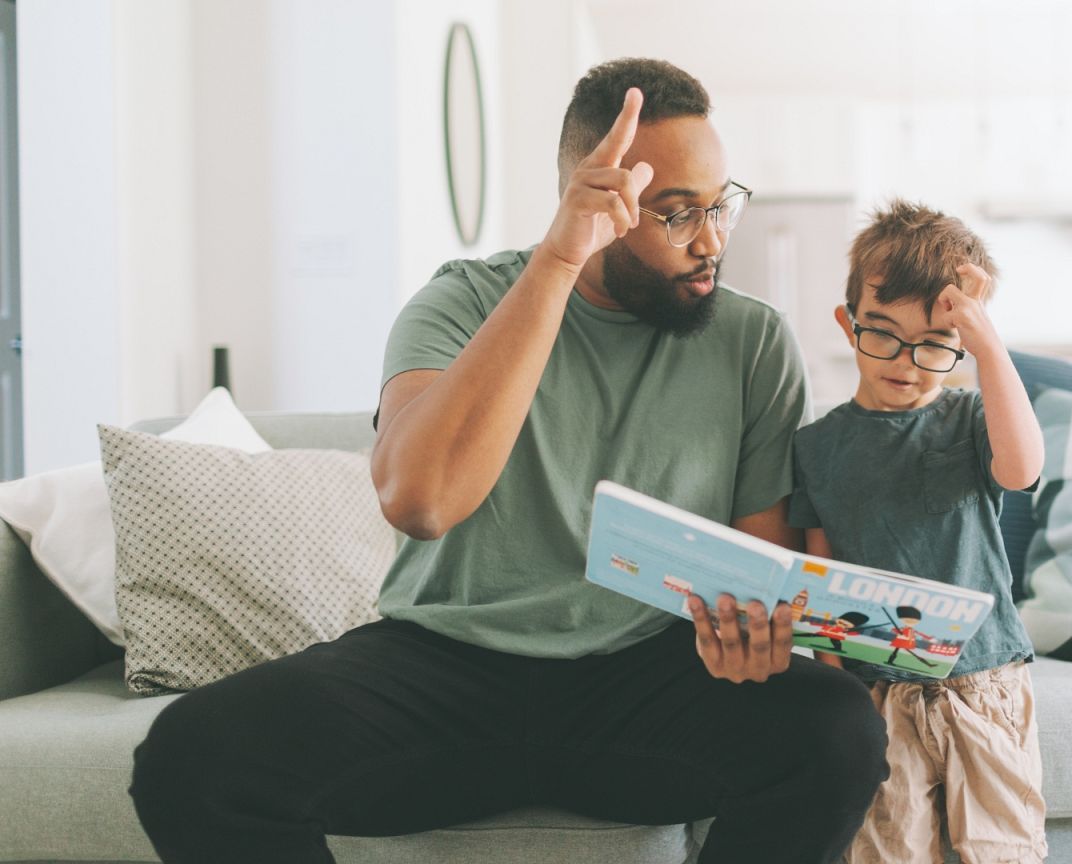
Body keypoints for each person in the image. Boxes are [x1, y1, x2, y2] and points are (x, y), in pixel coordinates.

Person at [128, 58, 887, 864]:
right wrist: (556, 266)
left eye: (720, 204)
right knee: (192, 757)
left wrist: (750, 633)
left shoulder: (753, 341)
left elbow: (754, 560)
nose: (713, 240)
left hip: (650, 679)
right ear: (591, 201)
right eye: (676, 214)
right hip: (446, 669)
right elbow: (419, 500)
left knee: (837, 732)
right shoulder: (458, 303)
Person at [787, 200, 1050, 864]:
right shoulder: (816, 448)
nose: (905, 362)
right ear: (849, 327)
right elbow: (819, 581)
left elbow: (1022, 469)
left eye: (934, 343)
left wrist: (987, 342)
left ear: (961, 344)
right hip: (880, 692)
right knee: (888, 852)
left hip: (983, 683)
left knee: (1003, 849)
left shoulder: (966, 419)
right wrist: (843, 692)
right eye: (883, 334)